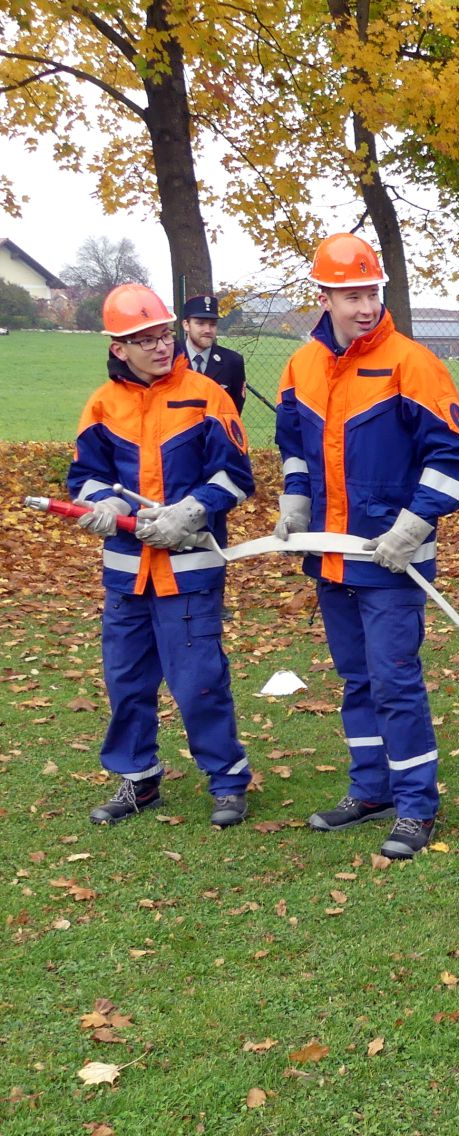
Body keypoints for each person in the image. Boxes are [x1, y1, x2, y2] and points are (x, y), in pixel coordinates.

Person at [273, 233, 459, 860]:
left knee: (394, 682)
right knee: (356, 680)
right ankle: (371, 791)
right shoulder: (301, 366)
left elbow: (453, 460)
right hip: (332, 557)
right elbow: (295, 449)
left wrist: (412, 527)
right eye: (351, 294)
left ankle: (416, 805)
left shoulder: (412, 363)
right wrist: (294, 504)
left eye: (372, 293)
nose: (364, 306)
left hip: (392, 561)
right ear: (325, 296)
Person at [66, 284, 255, 828]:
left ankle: (227, 781)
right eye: (143, 339)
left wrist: (191, 511)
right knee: (126, 681)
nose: (158, 346)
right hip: (126, 576)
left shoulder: (207, 396)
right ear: (118, 348)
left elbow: (236, 477)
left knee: (199, 681)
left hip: (190, 569)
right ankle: (138, 780)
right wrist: (97, 503)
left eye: (162, 335)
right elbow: (84, 477)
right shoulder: (102, 405)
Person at [180, 294, 247, 413]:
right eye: (200, 323)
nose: (208, 330)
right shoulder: (170, 357)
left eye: (212, 324)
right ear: (186, 325)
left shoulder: (232, 362)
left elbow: (234, 410)